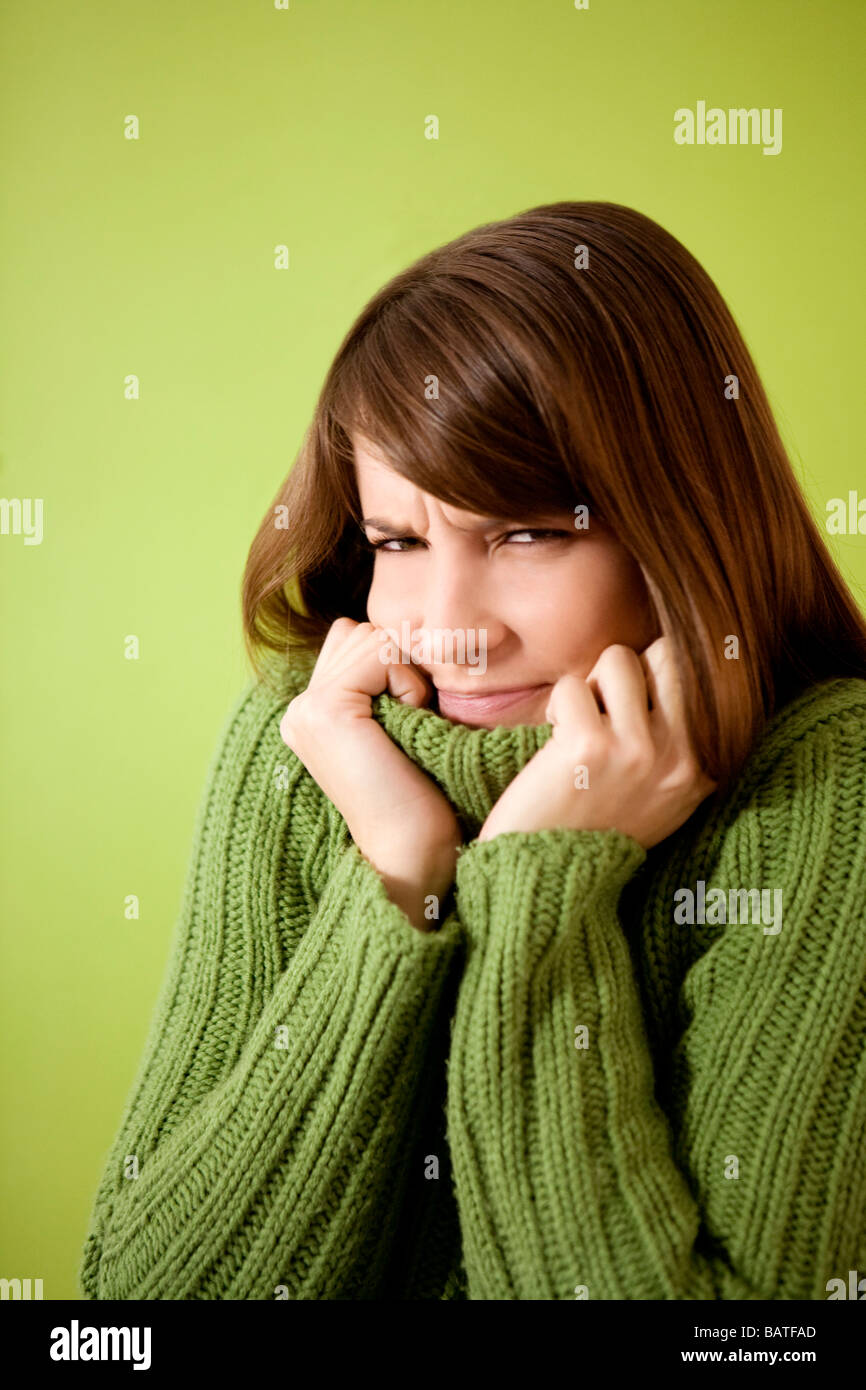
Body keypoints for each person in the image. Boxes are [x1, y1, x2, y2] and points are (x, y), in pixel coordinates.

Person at [79, 201, 866, 1300]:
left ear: (678, 520)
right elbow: (134, 1309)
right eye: (398, 541)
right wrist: (398, 874)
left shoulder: (832, 791)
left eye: (526, 533)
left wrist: (539, 893)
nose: (451, 624)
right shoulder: (311, 744)